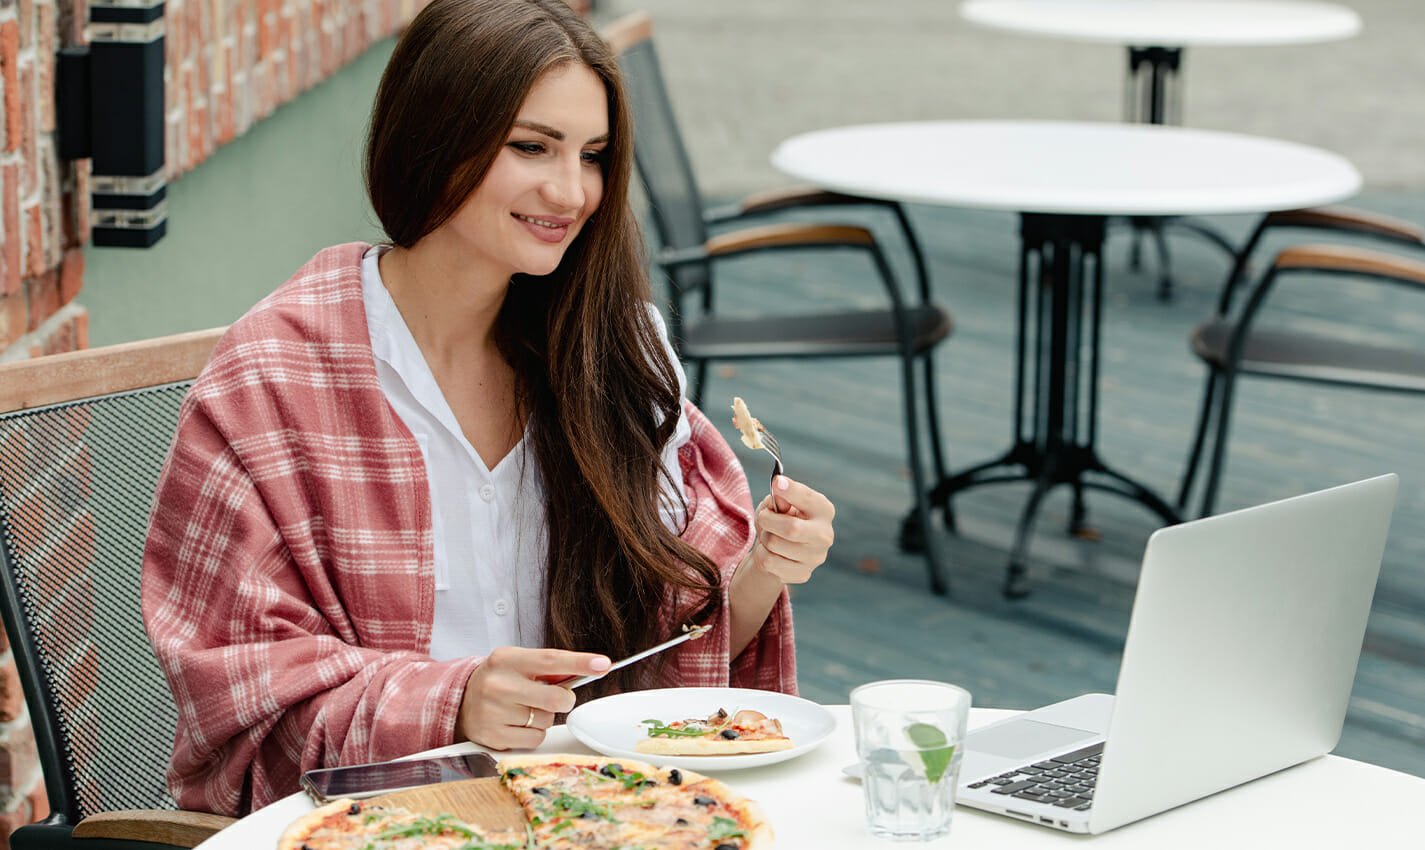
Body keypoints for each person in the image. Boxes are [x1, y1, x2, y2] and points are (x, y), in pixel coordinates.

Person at [141, 0, 835, 817]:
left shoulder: (613, 355)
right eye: (531, 147)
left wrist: (762, 569)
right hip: (376, 825)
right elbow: (241, 704)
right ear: (436, 138)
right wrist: (454, 702)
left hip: (592, 814)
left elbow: (667, 668)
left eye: (593, 155)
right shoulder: (272, 381)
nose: (569, 191)